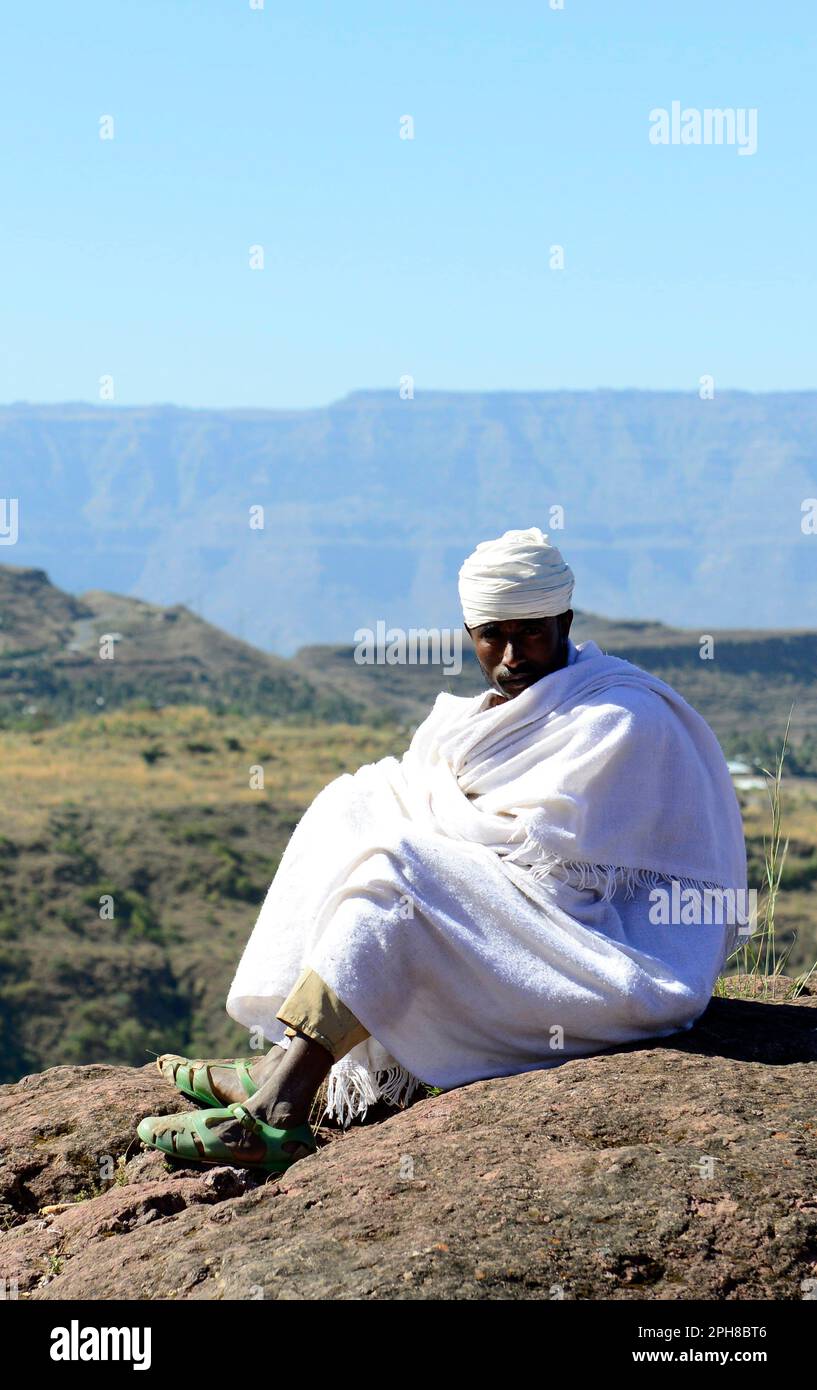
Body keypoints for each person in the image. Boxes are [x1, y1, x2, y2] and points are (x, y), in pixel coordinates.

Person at [137, 527, 748, 1172]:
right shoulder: (481, 715)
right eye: (493, 636)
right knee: (355, 802)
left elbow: (543, 858)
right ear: (470, 635)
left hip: (599, 947)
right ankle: (274, 1062)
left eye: (532, 633)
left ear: (565, 620)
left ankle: (278, 1111)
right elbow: (445, 813)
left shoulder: (621, 717)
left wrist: (425, 847)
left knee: (401, 870)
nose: (512, 654)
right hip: (521, 919)